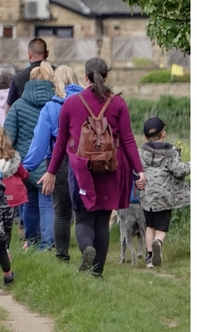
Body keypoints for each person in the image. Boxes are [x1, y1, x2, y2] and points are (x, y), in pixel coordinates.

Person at [40, 58, 146, 277]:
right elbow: (128, 139)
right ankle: (97, 273)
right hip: (110, 169)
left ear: (85, 77)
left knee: (83, 218)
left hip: (82, 171)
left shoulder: (71, 104)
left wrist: (51, 172)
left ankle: (86, 247)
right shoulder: (118, 104)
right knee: (102, 222)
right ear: (106, 76)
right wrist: (140, 171)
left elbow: (61, 142)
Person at [24, 65, 82, 261]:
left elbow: (39, 143)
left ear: (55, 83)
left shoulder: (51, 107)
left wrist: (26, 167)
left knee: (62, 212)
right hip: (85, 159)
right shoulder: (87, 103)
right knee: (84, 211)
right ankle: (88, 250)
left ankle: (62, 255)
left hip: (60, 161)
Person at [4, 63, 55, 249]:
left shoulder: (18, 106)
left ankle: (31, 240)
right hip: (50, 163)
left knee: (30, 204)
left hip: (26, 164)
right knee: (47, 204)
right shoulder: (56, 104)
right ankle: (47, 244)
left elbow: (7, 137)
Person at [138, 117, 190, 268]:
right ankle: (158, 242)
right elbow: (179, 171)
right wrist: (191, 165)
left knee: (150, 226)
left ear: (145, 137)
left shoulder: (141, 151)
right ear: (164, 134)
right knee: (161, 228)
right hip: (165, 196)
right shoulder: (170, 152)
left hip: (147, 195)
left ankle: (149, 258)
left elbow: (137, 168)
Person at [7, 38, 49, 106]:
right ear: (47, 53)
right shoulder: (57, 74)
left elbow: (9, 107)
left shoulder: (18, 78)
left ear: (29, 54)